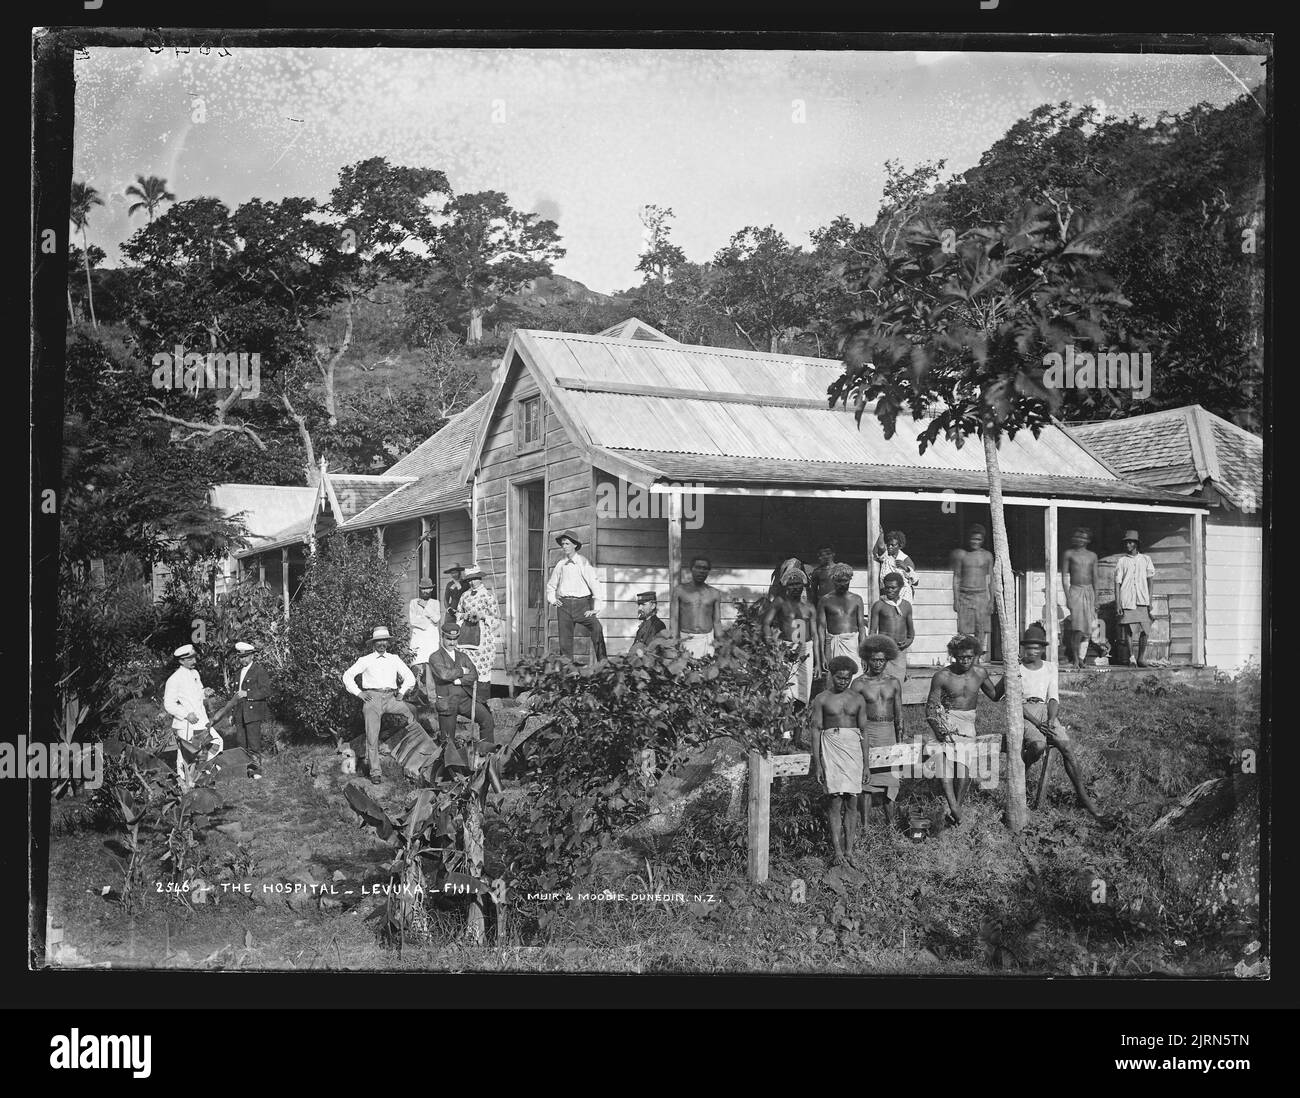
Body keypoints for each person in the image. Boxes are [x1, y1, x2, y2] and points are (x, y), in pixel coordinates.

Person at [1004, 624, 1107, 822]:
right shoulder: (1017, 669)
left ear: (1042, 649)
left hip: (1045, 710)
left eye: (1036, 648)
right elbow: (1014, 701)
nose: (1032, 652)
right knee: (1038, 745)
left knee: (1066, 746)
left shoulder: (1050, 667)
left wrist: (1051, 720)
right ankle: (1020, 780)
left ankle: (1084, 798)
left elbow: (1053, 697)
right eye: (1028, 648)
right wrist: (1035, 721)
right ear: (1023, 649)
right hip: (1023, 713)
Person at [925, 634, 1000, 824]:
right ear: (953, 655)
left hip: (968, 722)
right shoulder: (942, 676)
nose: (965, 661)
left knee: (964, 771)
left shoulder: (980, 673)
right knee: (946, 769)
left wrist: (1010, 673)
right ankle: (955, 808)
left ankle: (954, 810)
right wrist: (938, 728)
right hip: (947, 720)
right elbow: (931, 706)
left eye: (969, 657)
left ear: (975, 655)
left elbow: (995, 696)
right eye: (960, 657)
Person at [342, 626, 424, 783]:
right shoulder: (365, 660)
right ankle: (375, 772)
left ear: (388, 642)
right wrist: (359, 693)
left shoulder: (394, 659)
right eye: (378, 641)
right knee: (372, 736)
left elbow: (409, 677)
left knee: (412, 711)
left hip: (391, 698)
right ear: (373, 643)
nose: (382, 643)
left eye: (384, 640)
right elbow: (347, 676)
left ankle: (415, 754)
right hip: (372, 699)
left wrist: (402, 692)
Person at [809, 655, 870, 866]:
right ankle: (837, 851)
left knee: (852, 802)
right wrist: (818, 764)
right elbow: (816, 730)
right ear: (831, 675)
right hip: (831, 748)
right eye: (839, 677)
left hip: (853, 748)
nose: (842, 681)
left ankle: (850, 851)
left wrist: (866, 765)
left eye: (846, 678)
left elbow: (864, 732)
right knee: (834, 801)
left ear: (851, 677)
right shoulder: (822, 699)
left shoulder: (858, 699)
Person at [852, 639, 904, 828]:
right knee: (867, 783)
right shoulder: (858, 684)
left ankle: (891, 826)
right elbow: (853, 715)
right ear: (867, 659)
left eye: (881, 660)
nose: (878, 664)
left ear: (887, 660)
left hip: (889, 731)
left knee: (891, 782)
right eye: (874, 660)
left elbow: (899, 716)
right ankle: (865, 827)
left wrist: (900, 744)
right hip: (869, 732)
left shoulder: (894, 682)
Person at [164, 644, 222, 789]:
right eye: (189, 659)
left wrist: (205, 692)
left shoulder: (195, 673)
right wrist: (185, 714)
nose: (193, 661)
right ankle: (184, 785)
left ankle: (202, 775)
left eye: (193, 657)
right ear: (181, 661)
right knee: (185, 756)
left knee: (217, 743)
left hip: (201, 721)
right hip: (186, 724)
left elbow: (197, 694)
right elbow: (169, 704)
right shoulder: (174, 679)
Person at [425, 622, 495, 743]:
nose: (452, 643)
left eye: (455, 639)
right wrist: (462, 670)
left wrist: (458, 681)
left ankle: (486, 754)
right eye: (448, 639)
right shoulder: (435, 657)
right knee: (447, 740)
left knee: (487, 719)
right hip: (447, 701)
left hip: (465, 700)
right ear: (442, 637)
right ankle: (449, 760)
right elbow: (444, 674)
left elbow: (474, 675)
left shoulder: (463, 656)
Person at [545, 531, 607, 662]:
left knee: (597, 628)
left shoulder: (583, 562)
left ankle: (603, 663)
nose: (564, 547)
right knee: (565, 642)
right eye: (563, 544)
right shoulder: (560, 564)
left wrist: (596, 608)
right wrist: (553, 600)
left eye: (567, 544)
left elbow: (595, 584)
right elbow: (551, 586)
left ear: (575, 545)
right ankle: (568, 672)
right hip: (564, 606)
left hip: (582, 605)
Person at [762, 564, 818, 706]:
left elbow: (815, 634)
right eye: (791, 584)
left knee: (803, 689)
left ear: (803, 585)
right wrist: (772, 646)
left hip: (805, 650)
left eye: (798, 584)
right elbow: (766, 623)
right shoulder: (780, 602)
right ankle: (785, 725)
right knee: (785, 690)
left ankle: (799, 723)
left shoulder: (809, 606)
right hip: (785, 648)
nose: (795, 587)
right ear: (786, 585)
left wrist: (817, 661)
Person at [1061, 527, 1104, 670]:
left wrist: (1096, 598)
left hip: (1089, 591)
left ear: (1088, 540)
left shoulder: (1092, 556)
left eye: (1083, 538)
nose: (1080, 540)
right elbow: (1064, 578)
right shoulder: (1069, 554)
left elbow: (1096, 578)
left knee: (1089, 629)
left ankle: (1081, 658)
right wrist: (1068, 597)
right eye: (1078, 537)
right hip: (1076, 590)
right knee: (1077, 628)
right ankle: (1074, 659)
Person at [1113, 529, 1157, 667]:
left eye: (1130, 542)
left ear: (1136, 544)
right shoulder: (1122, 561)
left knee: (1145, 629)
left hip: (1142, 599)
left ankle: (1141, 657)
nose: (1128, 545)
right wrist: (1118, 604)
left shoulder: (1145, 559)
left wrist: (1149, 600)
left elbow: (1151, 581)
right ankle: (1131, 657)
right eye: (1126, 542)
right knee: (1129, 630)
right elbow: (1117, 583)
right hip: (1127, 599)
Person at [950, 525, 995, 659]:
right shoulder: (962, 555)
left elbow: (991, 579)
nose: (975, 542)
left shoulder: (987, 556)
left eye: (978, 539)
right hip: (965, 595)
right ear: (968, 539)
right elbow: (957, 577)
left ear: (983, 540)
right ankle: (965, 657)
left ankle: (976, 659)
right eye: (973, 539)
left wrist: (991, 600)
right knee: (964, 630)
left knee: (980, 629)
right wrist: (956, 599)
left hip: (981, 596)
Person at [231, 640, 272, 775]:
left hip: (253, 712)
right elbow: (235, 695)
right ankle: (243, 770)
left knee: (253, 743)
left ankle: (256, 771)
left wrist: (247, 694)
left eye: (245, 656)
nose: (243, 659)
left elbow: (266, 691)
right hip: (239, 712)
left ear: (252, 656)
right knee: (241, 742)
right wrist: (232, 712)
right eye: (241, 657)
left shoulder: (259, 671)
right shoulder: (238, 673)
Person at [817, 562, 866, 675]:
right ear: (833, 580)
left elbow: (861, 627)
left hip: (853, 644)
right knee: (835, 679)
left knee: (855, 678)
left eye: (845, 581)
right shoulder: (825, 600)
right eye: (839, 581)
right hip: (834, 644)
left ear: (850, 579)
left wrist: (863, 654)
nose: (842, 584)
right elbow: (821, 629)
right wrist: (822, 654)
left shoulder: (857, 599)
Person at [456, 565, 502, 683]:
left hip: (482, 635)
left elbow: (496, 617)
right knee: (466, 661)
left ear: (480, 579)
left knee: (481, 665)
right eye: (469, 580)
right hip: (466, 634)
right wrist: (463, 616)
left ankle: (481, 693)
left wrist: (482, 616)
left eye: (474, 579)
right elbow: (458, 613)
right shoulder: (465, 595)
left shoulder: (487, 595)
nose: (471, 582)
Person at [671, 556, 722, 659]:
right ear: (691, 568)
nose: (701, 571)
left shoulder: (714, 593)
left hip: (707, 640)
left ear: (708, 571)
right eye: (698, 567)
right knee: (688, 672)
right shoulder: (680, 590)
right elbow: (674, 618)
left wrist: (721, 643)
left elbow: (717, 621)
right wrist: (674, 640)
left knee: (706, 671)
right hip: (686, 639)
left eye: (705, 568)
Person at [868, 573, 914, 683]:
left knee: (897, 684)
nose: (889, 590)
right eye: (887, 587)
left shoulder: (906, 605)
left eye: (893, 588)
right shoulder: (879, 605)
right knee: (882, 683)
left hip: (900, 651)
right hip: (883, 652)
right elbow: (873, 631)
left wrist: (908, 642)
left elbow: (911, 632)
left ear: (901, 587)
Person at [873, 529, 919, 603]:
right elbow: (881, 547)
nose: (889, 547)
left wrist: (906, 568)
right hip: (888, 592)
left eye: (893, 545)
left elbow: (915, 581)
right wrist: (881, 534)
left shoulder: (905, 559)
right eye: (888, 545)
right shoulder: (887, 556)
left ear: (899, 546)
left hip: (903, 594)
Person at [408, 579, 442, 669]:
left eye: (427, 588)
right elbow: (413, 620)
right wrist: (428, 621)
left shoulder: (435, 603)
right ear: (420, 589)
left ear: (431, 589)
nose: (425, 591)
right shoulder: (414, 602)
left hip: (431, 636)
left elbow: (437, 619)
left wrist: (425, 607)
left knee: (431, 661)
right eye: (423, 589)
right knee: (417, 661)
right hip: (419, 636)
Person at [631, 590, 669, 656]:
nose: (639, 608)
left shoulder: (658, 625)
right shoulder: (643, 625)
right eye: (639, 605)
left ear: (653, 606)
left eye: (643, 605)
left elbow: (652, 652)